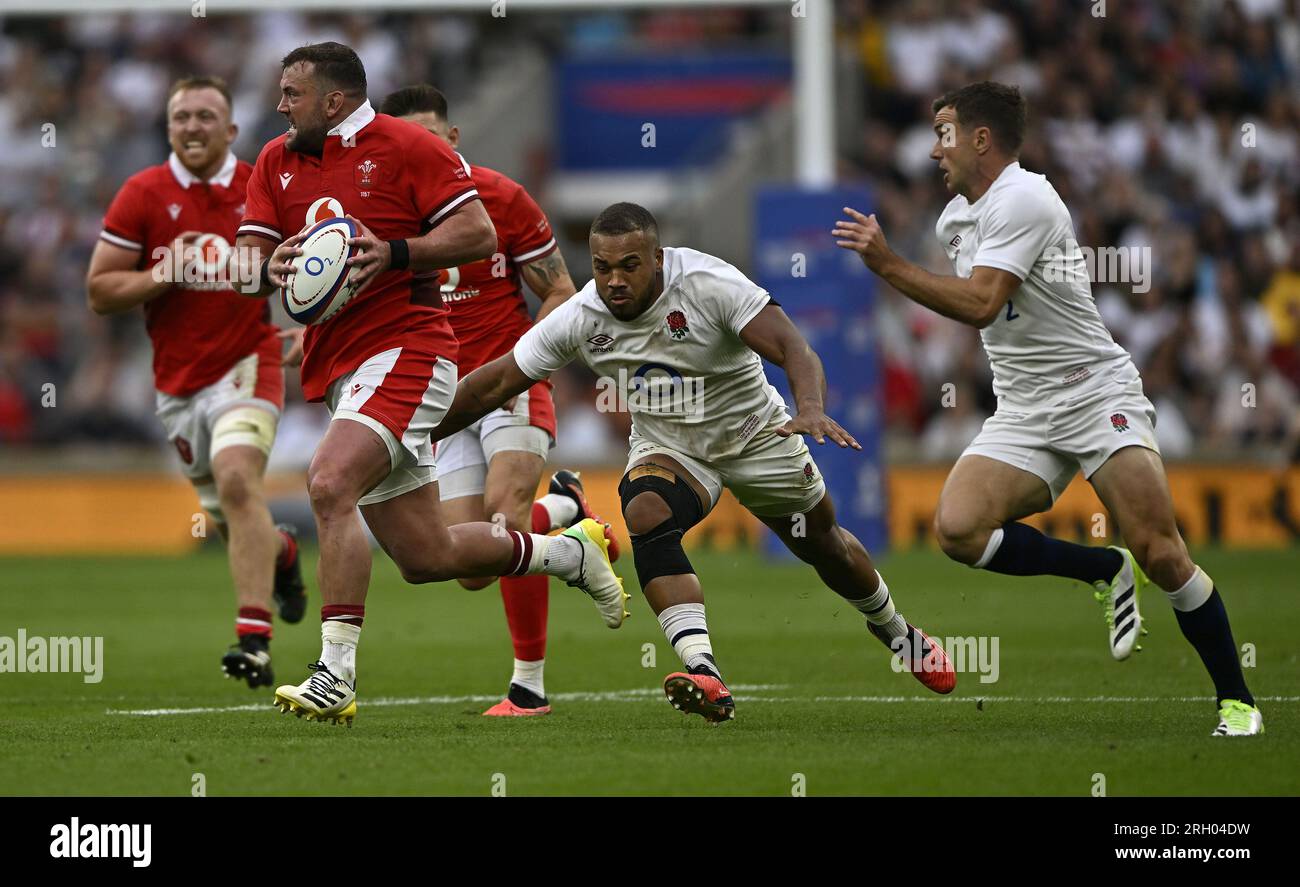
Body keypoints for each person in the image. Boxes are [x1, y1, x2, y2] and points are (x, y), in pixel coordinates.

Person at [833, 81, 1261, 737]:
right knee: (957, 527)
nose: (931, 151)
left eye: (943, 133)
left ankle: (1237, 701)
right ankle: (1100, 565)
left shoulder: (1027, 198)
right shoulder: (955, 219)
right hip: (1026, 406)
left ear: (981, 139)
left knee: (1162, 551)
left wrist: (888, 265)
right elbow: (987, 312)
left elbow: (981, 302)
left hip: (1095, 391)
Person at [430, 202, 956, 724]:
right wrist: (408, 437)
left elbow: (793, 346)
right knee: (645, 512)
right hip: (670, 447)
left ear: (657, 259)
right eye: (602, 266)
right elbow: (493, 385)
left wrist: (811, 408)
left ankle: (895, 630)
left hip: (757, 434)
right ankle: (704, 670)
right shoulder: (580, 318)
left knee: (823, 544)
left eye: (629, 266)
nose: (614, 280)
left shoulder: (708, 282)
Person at [233, 43, 625, 727]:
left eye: (292, 93)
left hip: (414, 352)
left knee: (328, 481)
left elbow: (476, 232)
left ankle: (336, 673)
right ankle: (567, 551)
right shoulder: (274, 160)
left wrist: (396, 252)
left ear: (334, 100)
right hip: (341, 368)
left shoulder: (406, 147)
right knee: (430, 555)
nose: (279, 105)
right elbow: (246, 260)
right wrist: (270, 265)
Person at [377, 84, 620, 717]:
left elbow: (562, 289)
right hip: (438, 397)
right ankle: (566, 515)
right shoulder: (382, 214)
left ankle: (528, 686)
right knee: (470, 562)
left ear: (451, 140)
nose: (418, 150)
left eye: (429, 137)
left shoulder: (501, 198)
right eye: (404, 142)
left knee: (504, 518)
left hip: (507, 382)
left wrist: (527, 361)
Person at [86, 76, 306, 690]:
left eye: (206, 115)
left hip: (248, 363)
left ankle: (254, 641)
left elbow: (317, 266)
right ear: (167, 129)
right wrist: (161, 274)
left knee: (239, 480)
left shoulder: (259, 187)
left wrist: (316, 329)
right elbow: (100, 291)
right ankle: (282, 552)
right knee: (232, 517)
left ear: (231, 130)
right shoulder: (143, 193)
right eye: (181, 116)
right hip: (177, 386)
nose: (192, 126)